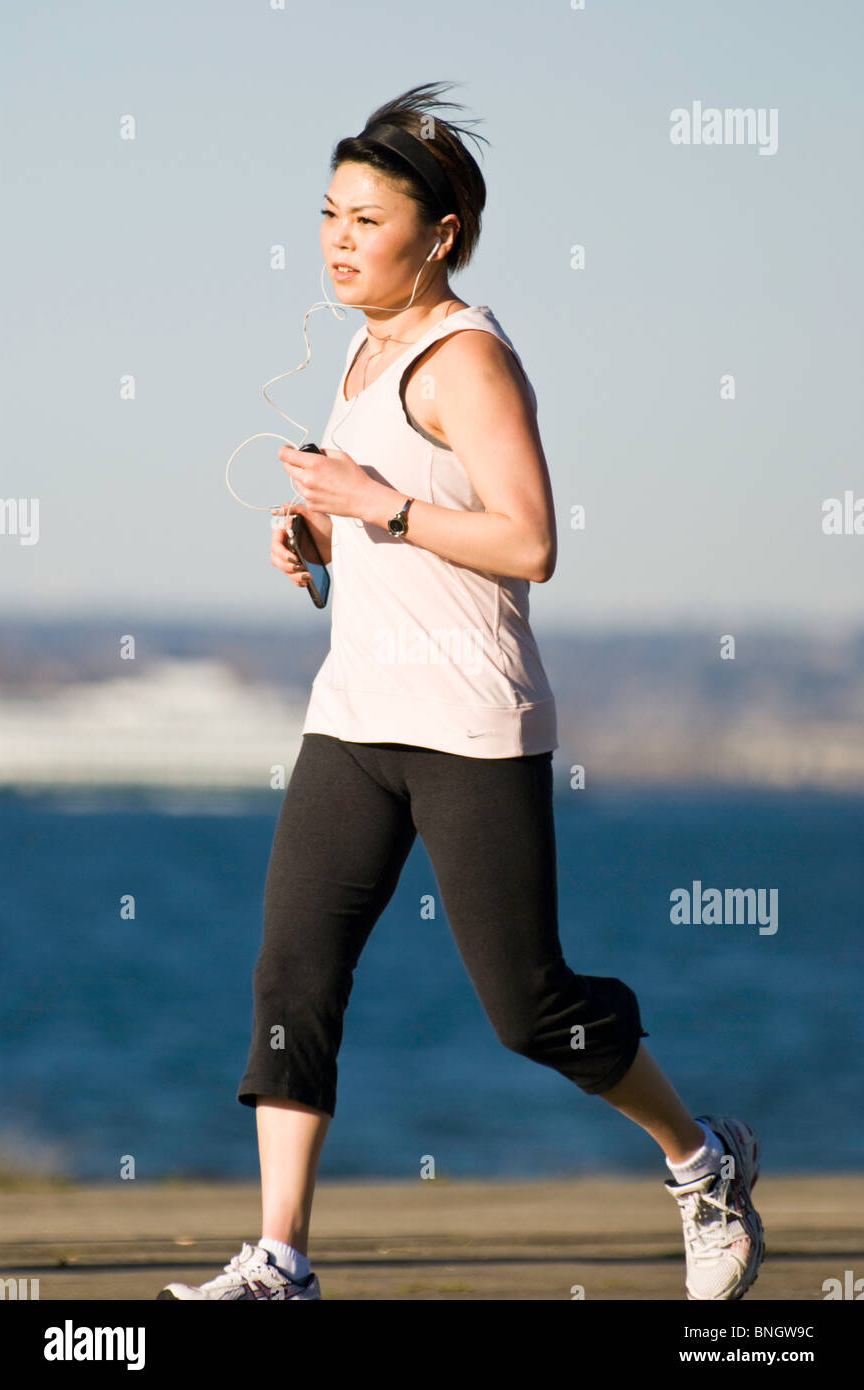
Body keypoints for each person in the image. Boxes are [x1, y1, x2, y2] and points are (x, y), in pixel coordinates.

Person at [158, 82, 764, 1303]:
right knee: (292, 977)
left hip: (467, 727)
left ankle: (701, 1162)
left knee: (530, 1011)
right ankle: (281, 1255)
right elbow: (401, 519)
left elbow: (530, 541)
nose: (335, 237)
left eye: (365, 218)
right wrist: (322, 538)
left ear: (436, 236)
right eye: (327, 211)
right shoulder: (365, 348)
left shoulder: (466, 357)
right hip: (353, 720)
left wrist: (374, 502)